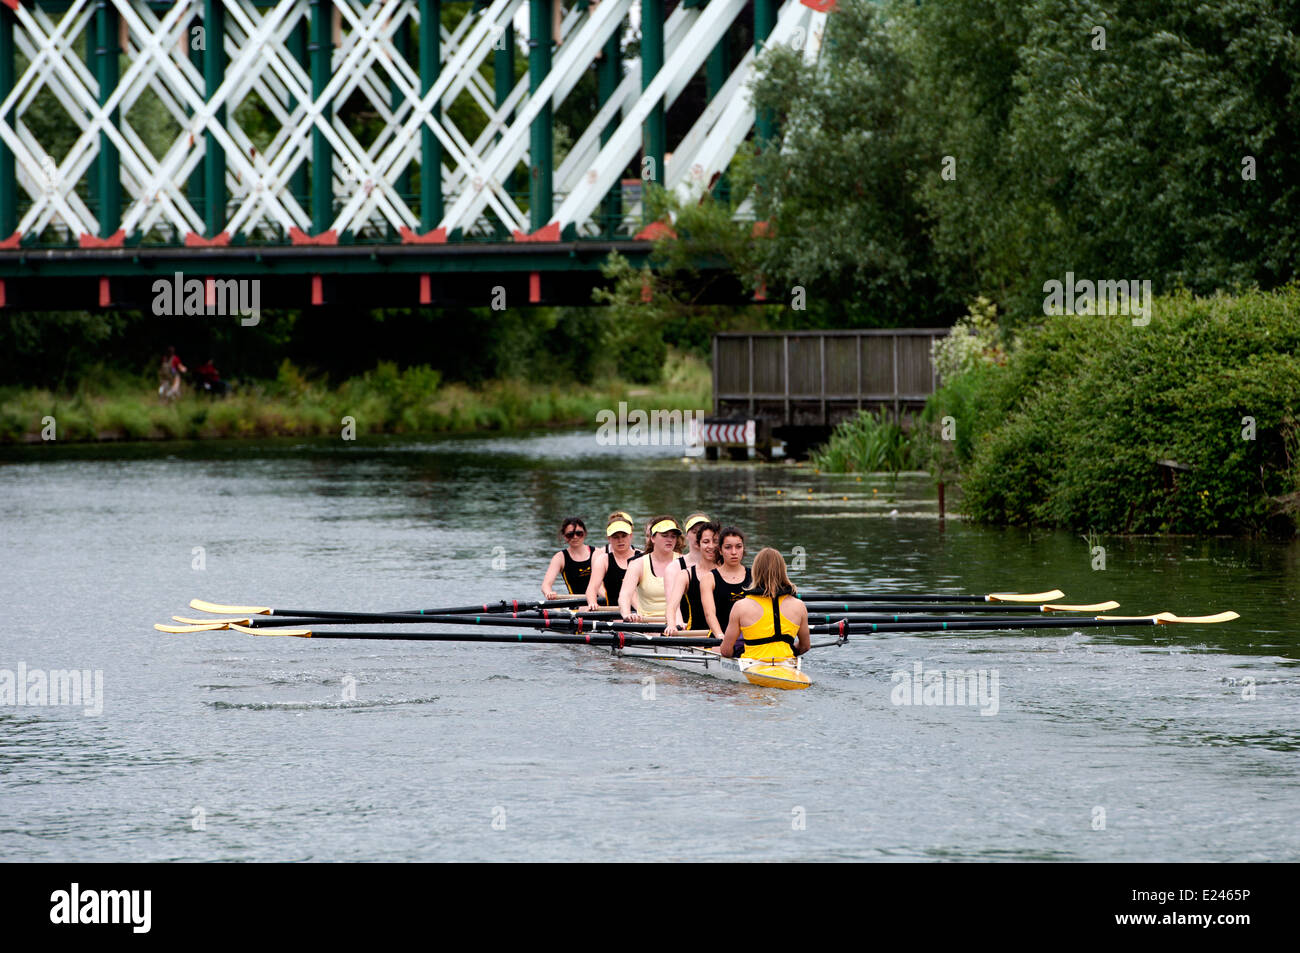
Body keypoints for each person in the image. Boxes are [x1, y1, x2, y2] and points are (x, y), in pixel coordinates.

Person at [720, 548, 810, 660]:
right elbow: (805, 646)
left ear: (755, 571)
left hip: (751, 666)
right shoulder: (799, 605)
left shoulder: (741, 606)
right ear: (783, 570)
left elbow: (725, 651)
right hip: (787, 665)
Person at [619, 515, 684, 622]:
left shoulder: (684, 562)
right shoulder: (638, 564)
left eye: (673, 536)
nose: (670, 540)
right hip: (648, 624)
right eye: (665, 535)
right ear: (652, 538)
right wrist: (627, 614)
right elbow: (625, 595)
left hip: (679, 624)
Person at [664, 520, 720, 633]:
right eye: (706, 542)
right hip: (696, 637)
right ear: (699, 544)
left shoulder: (731, 571)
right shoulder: (685, 574)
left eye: (715, 541)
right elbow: (671, 607)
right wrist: (671, 625)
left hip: (726, 637)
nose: (711, 546)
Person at [698, 526, 751, 637]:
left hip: (750, 639)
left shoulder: (755, 576)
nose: (734, 552)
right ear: (720, 551)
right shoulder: (709, 579)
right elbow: (709, 614)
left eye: (738, 547)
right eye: (728, 547)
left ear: (743, 549)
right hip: (720, 638)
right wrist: (720, 635)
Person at [586, 511, 641, 610]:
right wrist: (592, 603)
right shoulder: (603, 560)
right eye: (615, 537)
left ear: (631, 536)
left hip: (642, 614)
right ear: (609, 539)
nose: (620, 540)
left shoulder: (643, 556)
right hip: (614, 614)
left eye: (624, 536)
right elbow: (592, 588)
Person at [540, 517, 592, 599]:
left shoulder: (597, 553)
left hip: (602, 602)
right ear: (564, 536)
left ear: (584, 533)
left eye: (579, 533)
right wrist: (549, 592)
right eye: (570, 535)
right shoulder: (560, 558)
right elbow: (546, 585)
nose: (575, 537)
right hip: (577, 604)